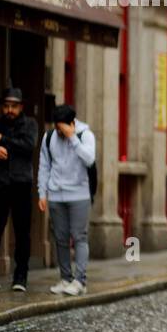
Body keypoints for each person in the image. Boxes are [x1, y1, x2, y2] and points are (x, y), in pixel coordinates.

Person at [0, 87, 39, 291]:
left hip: (22, 185)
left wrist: (3, 141)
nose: (10, 110)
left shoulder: (30, 124)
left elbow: (28, 146)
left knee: (22, 233)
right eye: (6, 106)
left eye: (14, 106)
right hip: (0, 184)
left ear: (21, 107)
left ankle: (20, 276)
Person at [38, 104, 97, 296]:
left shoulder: (85, 135)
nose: (60, 132)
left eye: (63, 128)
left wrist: (72, 137)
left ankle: (80, 281)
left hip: (79, 195)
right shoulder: (48, 137)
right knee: (60, 238)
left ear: (72, 123)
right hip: (56, 195)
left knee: (79, 237)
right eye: (58, 128)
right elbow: (44, 166)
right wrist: (42, 193)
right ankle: (65, 279)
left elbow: (89, 159)